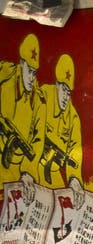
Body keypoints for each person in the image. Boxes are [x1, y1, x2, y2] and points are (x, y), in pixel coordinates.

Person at [0, 32, 46, 188]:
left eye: (35, 72)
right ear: (21, 63)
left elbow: (39, 140)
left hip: (18, 169)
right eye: (29, 71)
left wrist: (28, 171)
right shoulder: (5, 74)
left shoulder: (39, 100)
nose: (32, 77)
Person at [39, 53, 84, 207]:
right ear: (57, 84)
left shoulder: (73, 117)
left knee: (62, 205)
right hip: (33, 165)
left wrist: (75, 180)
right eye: (64, 90)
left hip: (52, 171)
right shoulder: (43, 96)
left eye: (69, 92)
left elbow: (74, 152)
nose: (66, 96)